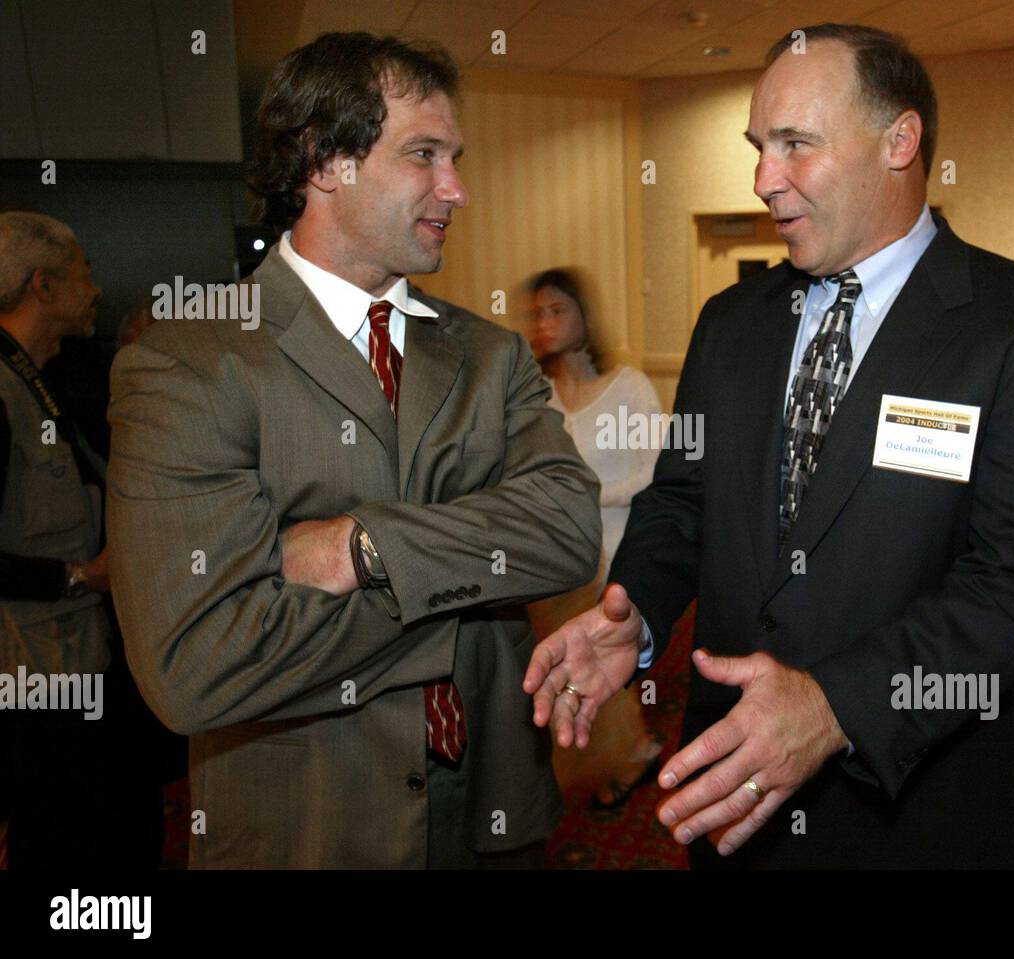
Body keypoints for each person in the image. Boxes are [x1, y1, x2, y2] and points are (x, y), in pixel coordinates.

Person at [525, 23, 1014, 869]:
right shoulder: (730, 323)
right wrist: (638, 612)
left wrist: (837, 703)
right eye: (759, 147)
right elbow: (684, 502)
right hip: (732, 804)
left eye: (795, 144)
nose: (764, 179)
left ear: (899, 141)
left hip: (916, 812)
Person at [106, 32, 601, 869]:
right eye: (424, 155)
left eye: (456, 156)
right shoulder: (188, 360)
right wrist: (462, 585)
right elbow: (196, 666)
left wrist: (357, 545)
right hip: (310, 829)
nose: (458, 188)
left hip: (495, 812)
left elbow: (567, 530)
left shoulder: (490, 354)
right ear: (323, 162)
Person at [524, 268, 664, 809]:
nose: (545, 323)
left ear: (584, 315)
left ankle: (633, 756)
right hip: (562, 561)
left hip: (622, 551)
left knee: (606, 668)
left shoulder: (626, 386)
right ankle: (589, 756)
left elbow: (659, 473)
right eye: (537, 313)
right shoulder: (539, 395)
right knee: (564, 669)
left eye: (557, 310)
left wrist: (588, 494)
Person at [0, 211, 110, 868]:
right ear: (43, 285)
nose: (95, 288)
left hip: (65, 657)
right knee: (53, 841)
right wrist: (79, 575)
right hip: (26, 677)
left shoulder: (39, 382)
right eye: (84, 272)